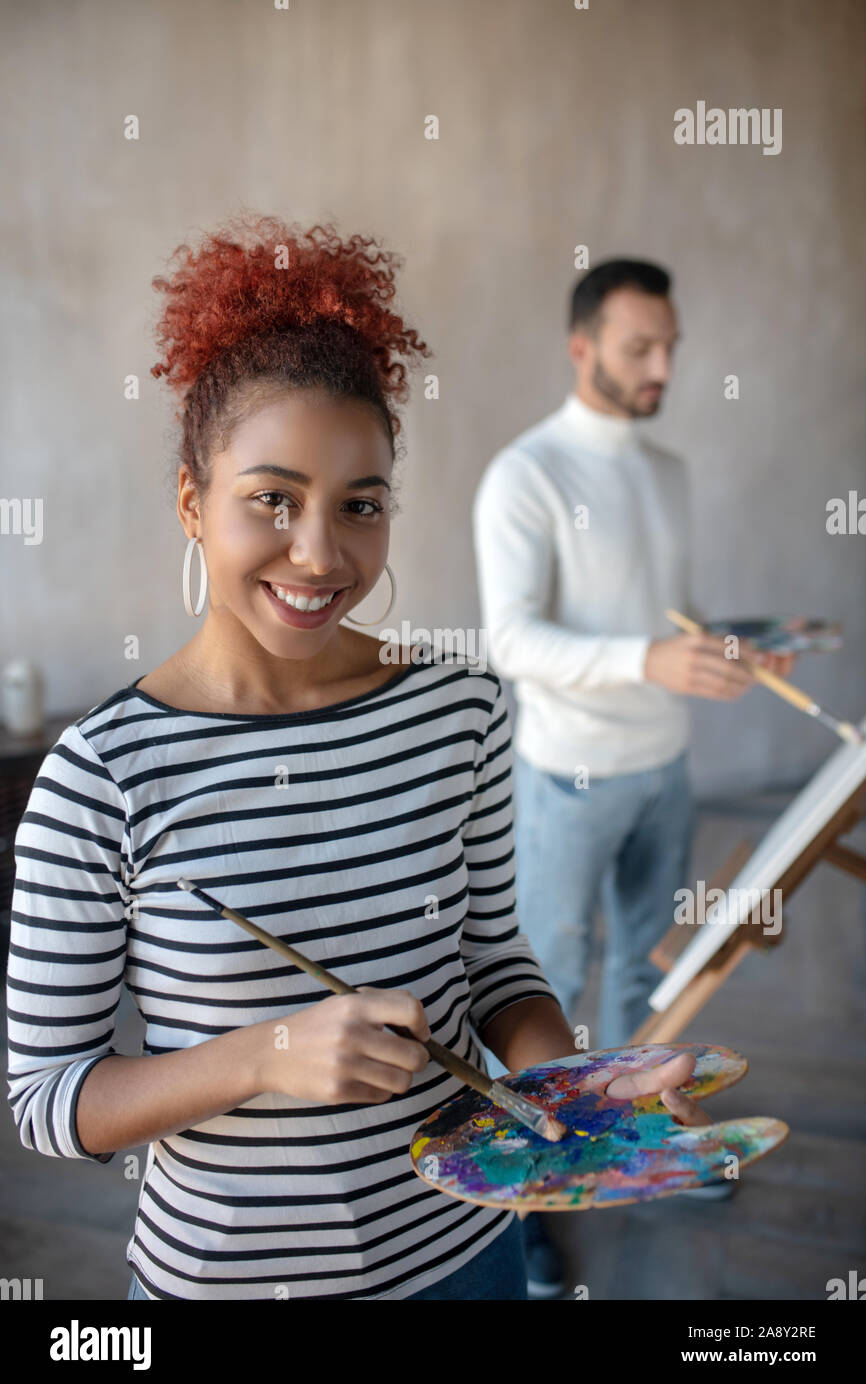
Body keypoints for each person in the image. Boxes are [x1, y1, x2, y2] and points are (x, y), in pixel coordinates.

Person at [7, 221, 714, 1302]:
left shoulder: (458, 709)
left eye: (360, 505)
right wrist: (262, 1054)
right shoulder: (102, 778)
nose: (320, 553)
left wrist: (572, 1084)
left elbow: (493, 965)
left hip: (467, 1256)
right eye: (272, 499)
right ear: (193, 502)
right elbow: (48, 1102)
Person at [472, 258, 794, 1294]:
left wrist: (733, 648)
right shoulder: (522, 474)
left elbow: (673, 615)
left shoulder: (665, 470)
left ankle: (632, 1150)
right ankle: (520, 1211)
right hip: (565, 777)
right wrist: (646, 659)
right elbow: (512, 638)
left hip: (664, 767)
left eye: (668, 347)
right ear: (582, 348)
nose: (660, 366)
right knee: (541, 995)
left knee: (646, 981)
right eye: (637, 347)